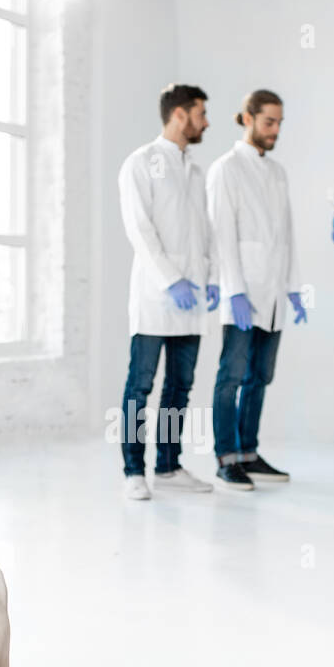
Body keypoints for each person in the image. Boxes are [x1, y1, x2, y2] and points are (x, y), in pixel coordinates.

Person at [117, 84, 220, 500]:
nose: (206, 122)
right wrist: (169, 278)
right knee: (140, 385)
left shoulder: (196, 172)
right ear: (180, 115)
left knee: (179, 387)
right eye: (201, 113)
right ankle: (132, 470)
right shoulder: (140, 163)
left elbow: (204, 232)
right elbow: (139, 229)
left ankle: (169, 465)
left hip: (192, 299)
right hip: (156, 297)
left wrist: (210, 278)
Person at [206, 89, 306, 491]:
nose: (276, 130)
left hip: (275, 292)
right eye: (269, 121)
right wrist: (233, 290)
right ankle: (226, 459)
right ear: (247, 118)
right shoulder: (225, 169)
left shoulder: (278, 172)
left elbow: (287, 234)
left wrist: (295, 287)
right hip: (243, 292)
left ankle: (248, 452)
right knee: (230, 376)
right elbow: (221, 234)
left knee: (260, 376)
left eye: (280, 122)